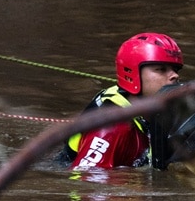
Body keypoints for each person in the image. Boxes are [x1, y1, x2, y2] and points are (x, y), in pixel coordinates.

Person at [56, 32, 183, 170]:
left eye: (175, 69)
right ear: (131, 75)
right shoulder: (111, 127)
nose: (174, 76)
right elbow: (86, 182)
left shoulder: (163, 110)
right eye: (161, 69)